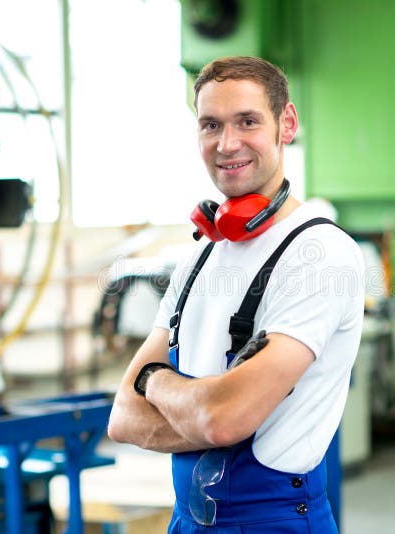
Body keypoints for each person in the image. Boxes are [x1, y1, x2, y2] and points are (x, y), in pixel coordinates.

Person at [107, 56, 365, 533]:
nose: (227, 144)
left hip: (272, 521)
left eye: (247, 121)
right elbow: (123, 418)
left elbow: (224, 421)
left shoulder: (320, 254)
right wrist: (204, 411)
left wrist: (157, 383)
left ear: (285, 123)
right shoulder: (200, 257)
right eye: (210, 125)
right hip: (188, 521)